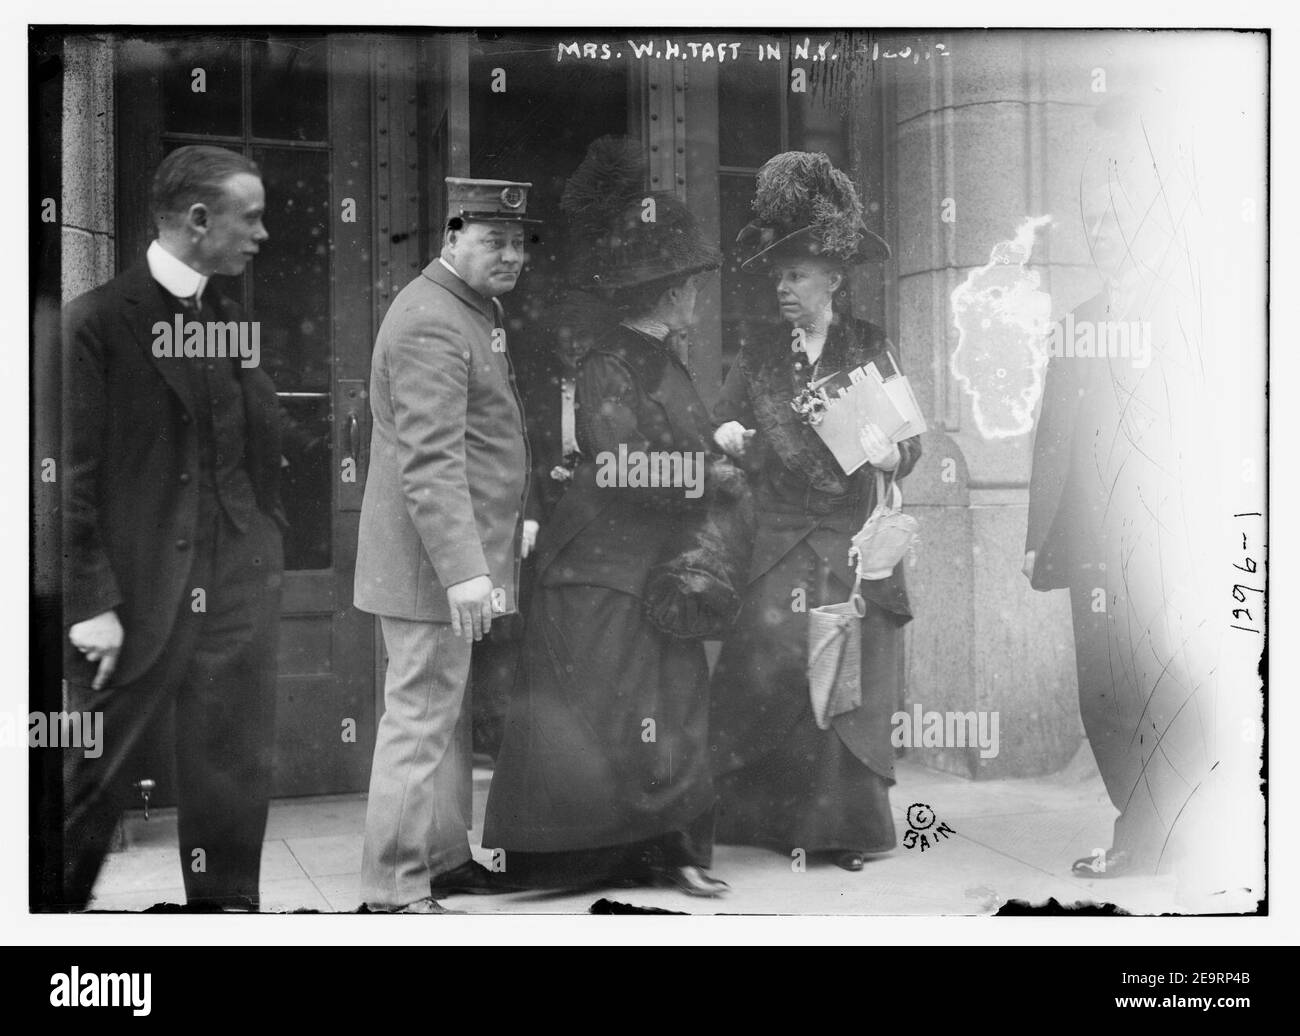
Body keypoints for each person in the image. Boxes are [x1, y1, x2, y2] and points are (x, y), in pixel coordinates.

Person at [483, 139, 730, 897]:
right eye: (689, 285)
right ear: (666, 293)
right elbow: (623, 463)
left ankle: (664, 850)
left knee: (669, 699)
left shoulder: (660, 357)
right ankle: (590, 858)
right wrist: (709, 469)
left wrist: (708, 455)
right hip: (595, 564)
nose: (695, 297)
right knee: (609, 709)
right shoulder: (608, 362)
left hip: (646, 564)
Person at [61, 145, 284, 910]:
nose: (260, 234)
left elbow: (259, 442)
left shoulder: (228, 318)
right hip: (133, 604)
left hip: (234, 598)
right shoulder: (92, 325)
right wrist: (89, 603)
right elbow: (62, 477)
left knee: (230, 782)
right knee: (84, 788)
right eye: (248, 217)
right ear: (198, 219)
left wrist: (265, 543)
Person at [709, 151, 920, 872]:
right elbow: (723, 420)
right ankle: (769, 819)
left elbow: (909, 443)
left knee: (842, 681)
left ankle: (843, 829)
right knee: (771, 675)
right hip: (775, 542)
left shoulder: (869, 347)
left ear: (832, 278)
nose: (783, 289)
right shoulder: (763, 350)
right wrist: (729, 436)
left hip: (846, 541)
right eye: (777, 277)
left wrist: (891, 457)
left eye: (795, 275)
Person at [353, 178, 537, 912]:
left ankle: (442, 858)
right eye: (495, 239)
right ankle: (392, 892)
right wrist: (466, 572)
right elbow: (431, 461)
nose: (513, 254)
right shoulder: (434, 318)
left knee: (441, 715)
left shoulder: (464, 309)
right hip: (434, 569)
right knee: (421, 718)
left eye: (520, 242)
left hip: (447, 562)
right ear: (450, 238)